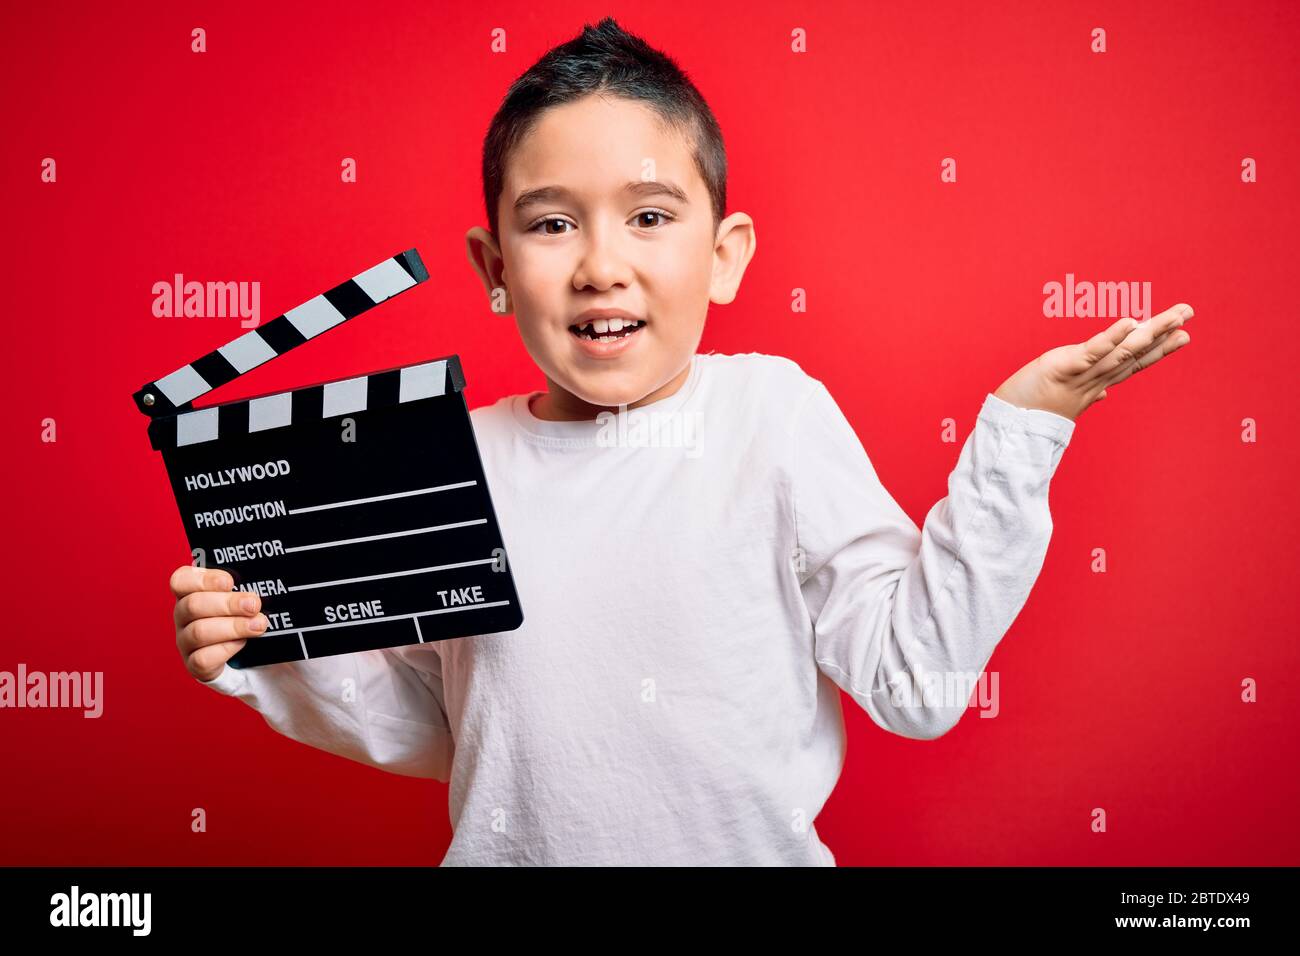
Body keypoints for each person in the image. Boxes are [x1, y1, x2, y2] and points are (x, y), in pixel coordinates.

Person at [169, 17, 1191, 865]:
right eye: (551, 224)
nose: (600, 264)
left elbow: (912, 682)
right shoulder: (447, 466)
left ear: (724, 254)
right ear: (492, 264)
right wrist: (264, 651)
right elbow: (435, 728)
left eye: (650, 215)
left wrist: (1018, 435)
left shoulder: (772, 416)